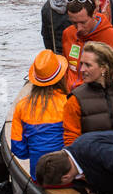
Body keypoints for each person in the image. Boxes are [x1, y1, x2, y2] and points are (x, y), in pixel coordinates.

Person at [62, 42, 113, 144]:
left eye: (88, 65)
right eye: (81, 64)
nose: (82, 69)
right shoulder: (75, 100)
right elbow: (71, 140)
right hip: (93, 157)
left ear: (103, 68)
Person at [11, 51, 69, 179]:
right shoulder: (69, 103)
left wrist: (35, 151)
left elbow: (18, 150)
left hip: (38, 176)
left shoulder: (22, 106)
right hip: (68, 177)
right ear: (61, 77)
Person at [62, 0, 113, 88]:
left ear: (95, 12)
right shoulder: (68, 33)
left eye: (83, 22)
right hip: (70, 97)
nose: (78, 29)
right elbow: (66, 71)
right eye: (74, 23)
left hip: (99, 99)